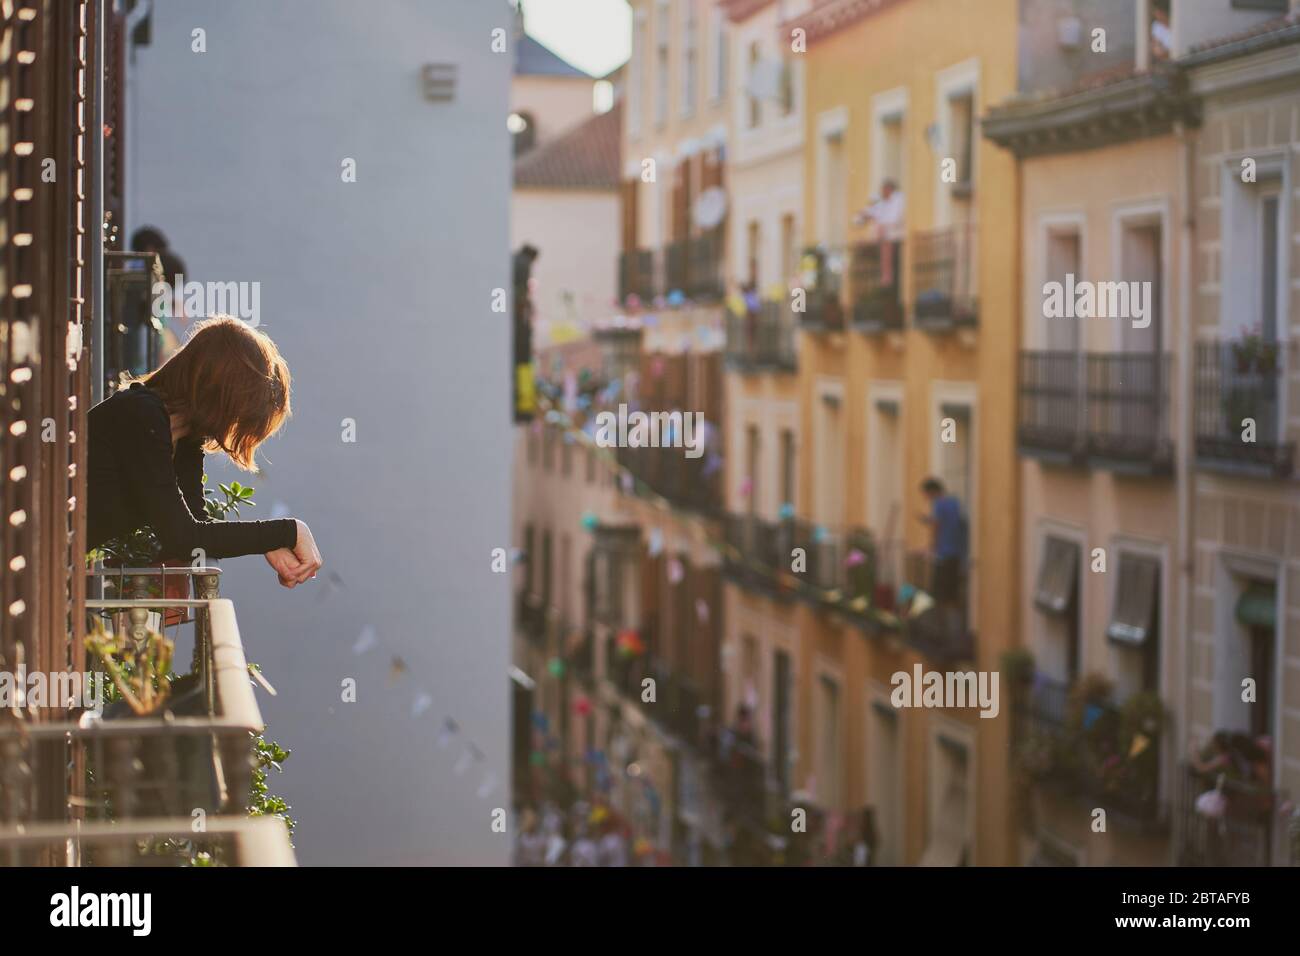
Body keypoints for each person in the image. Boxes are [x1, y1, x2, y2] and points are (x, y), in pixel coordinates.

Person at [87, 314, 322, 587]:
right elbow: (183, 537)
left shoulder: (183, 438)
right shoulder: (142, 416)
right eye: (242, 413)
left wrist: (269, 543)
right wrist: (289, 532)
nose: (236, 425)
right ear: (221, 393)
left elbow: (197, 528)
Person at [918, 477, 966, 622]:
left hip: (944, 553)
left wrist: (931, 547)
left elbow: (937, 526)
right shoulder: (954, 502)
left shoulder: (938, 504)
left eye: (926, 494)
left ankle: (941, 624)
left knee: (939, 593)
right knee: (953, 592)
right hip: (957, 553)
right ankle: (955, 623)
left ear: (932, 492)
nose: (926, 498)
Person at [852, 178, 906, 289]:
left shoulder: (899, 199)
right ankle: (870, 274)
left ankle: (887, 276)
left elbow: (894, 219)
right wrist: (863, 215)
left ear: (890, 189)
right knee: (861, 243)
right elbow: (862, 217)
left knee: (885, 244)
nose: (883, 192)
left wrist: (880, 224)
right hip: (881, 236)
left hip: (895, 236)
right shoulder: (881, 201)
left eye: (884, 190)